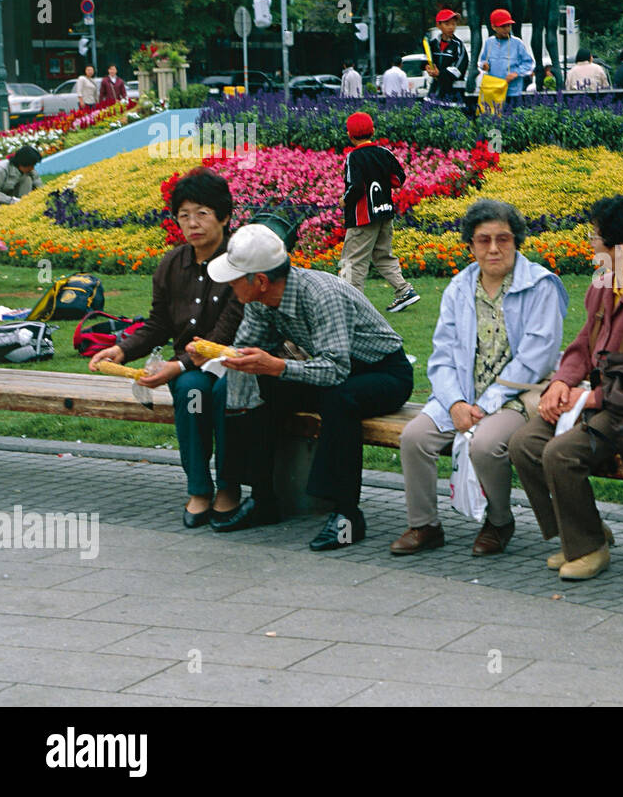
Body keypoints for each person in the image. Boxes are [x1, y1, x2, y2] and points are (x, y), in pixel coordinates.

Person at [509, 194, 623, 581]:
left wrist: (591, 397)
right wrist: (561, 382)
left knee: (561, 453)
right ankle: (580, 530)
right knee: (524, 444)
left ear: (620, 250)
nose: (590, 241)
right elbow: (582, 347)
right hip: (598, 402)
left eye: (596, 236)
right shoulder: (602, 287)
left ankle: (590, 547)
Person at [211, 225, 414, 549]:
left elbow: (336, 370)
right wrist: (220, 358)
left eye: (234, 278)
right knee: (248, 387)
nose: (228, 286)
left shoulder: (322, 294)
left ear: (260, 281)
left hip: (384, 373)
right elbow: (247, 351)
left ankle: (347, 515)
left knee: (340, 399)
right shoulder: (260, 301)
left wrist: (276, 366)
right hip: (331, 370)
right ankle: (263, 499)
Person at [393, 199, 568, 557]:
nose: (493, 248)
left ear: (517, 241)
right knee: (414, 437)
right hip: (464, 394)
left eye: (503, 239)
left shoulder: (541, 286)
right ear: (470, 245)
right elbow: (441, 356)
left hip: (517, 396)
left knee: (485, 444)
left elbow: (537, 358)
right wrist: (456, 402)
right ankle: (425, 524)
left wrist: (484, 406)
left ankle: (499, 521)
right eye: (483, 240)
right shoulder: (459, 287)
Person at [89, 169, 243, 527]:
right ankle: (199, 489)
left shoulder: (239, 263)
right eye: (184, 215)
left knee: (220, 393)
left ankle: (229, 487)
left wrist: (175, 366)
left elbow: (226, 332)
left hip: (234, 360)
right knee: (191, 390)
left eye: (203, 213)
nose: (193, 224)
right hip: (188, 367)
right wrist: (122, 351)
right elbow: (158, 324)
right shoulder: (172, 264)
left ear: (224, 215)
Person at [337, 112, 419, 313]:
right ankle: (404, 290)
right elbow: (399, 179)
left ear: (350, 135)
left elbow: (355, 187)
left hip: (362, 218)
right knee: (383, 255)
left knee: (352, 260)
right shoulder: (384, 152)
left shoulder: (353, 157)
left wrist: (344, 200)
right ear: (372, 131)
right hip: (384, 212)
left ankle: (351, 303)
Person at [477, 8, 536, 100]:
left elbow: (529, 64)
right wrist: (484, 65)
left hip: (513, 92)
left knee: (513, 114)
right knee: (490, 114)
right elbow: (482, 61)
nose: (507, 29)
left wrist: (516, 73)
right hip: (493, 90)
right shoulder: (489, 42)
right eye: (503, 26)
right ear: (493, 27)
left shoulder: (518, 43)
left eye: (509, 25)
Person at [426, 8, 468, 99]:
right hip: (434, 92)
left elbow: (458, 70)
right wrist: (428, 68)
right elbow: (425, 61)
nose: (451, 27)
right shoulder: (432, 44)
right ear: (438, 25)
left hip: (454, 95)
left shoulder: (458, 45)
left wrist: (439, 74)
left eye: (453, 24)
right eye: (447, 24)